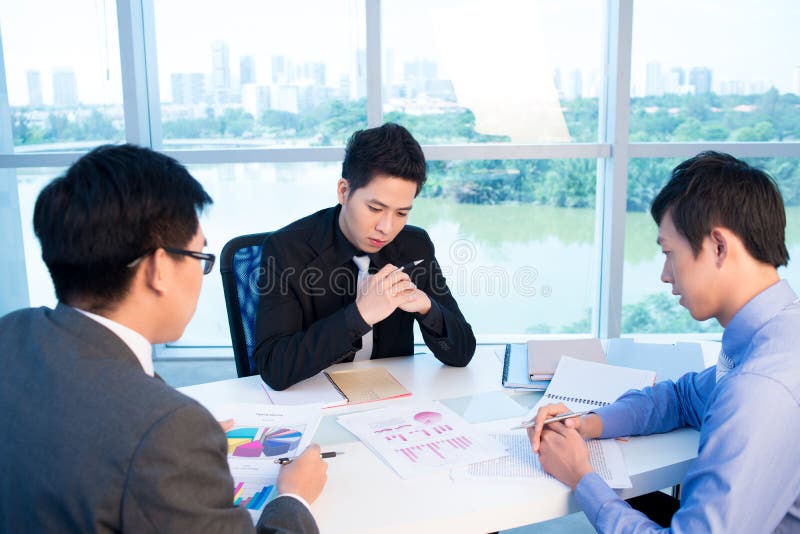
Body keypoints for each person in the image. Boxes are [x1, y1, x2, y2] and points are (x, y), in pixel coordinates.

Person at [0, 144, 327, 533]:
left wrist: (185, 446)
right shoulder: (167, 431)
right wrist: (292, 497)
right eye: (199, 258)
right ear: (158, 269)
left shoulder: (12, 332)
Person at [527, 151, 800, 532]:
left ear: (719, 246)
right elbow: (684, 397)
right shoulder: (778, 331)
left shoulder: (758, 389)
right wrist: (587, 424)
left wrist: (582, 476)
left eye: (670, 253)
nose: (664, 274)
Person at [253, 123, 476, 390]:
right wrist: (360, 315)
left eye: (401, 213)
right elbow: (275, 368)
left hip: (393, 405)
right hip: (315, 401)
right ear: (344, 191)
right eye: (374, 208)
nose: (387, 227)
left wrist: (428, 307)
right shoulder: (286, 249)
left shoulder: (414, 246)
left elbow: (462, 354)